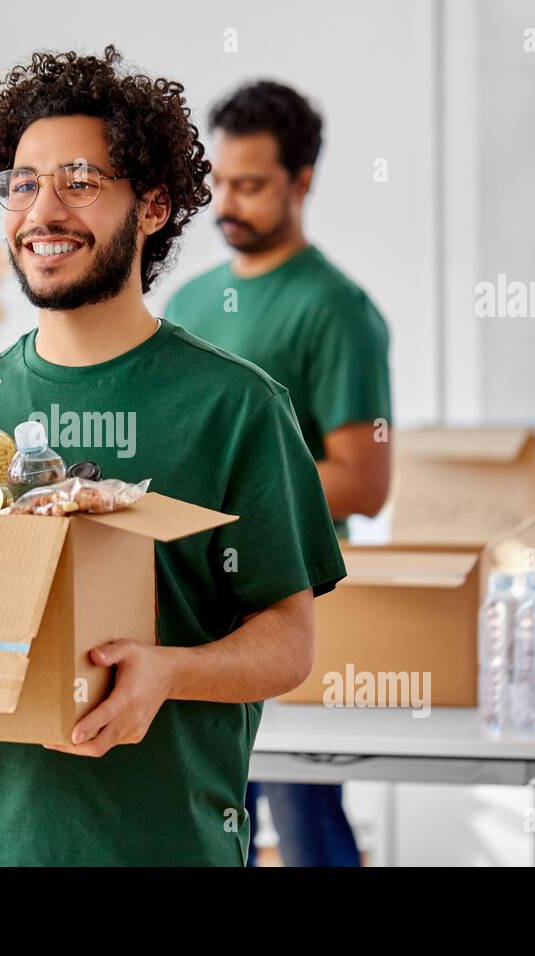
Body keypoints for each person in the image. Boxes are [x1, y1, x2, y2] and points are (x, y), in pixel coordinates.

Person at [0, 46, 347, 866]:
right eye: (22, 183)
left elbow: (290, 641)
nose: (42, 210)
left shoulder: (237, 406)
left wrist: (167, 672)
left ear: (152, 207)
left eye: (79, 182)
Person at [166, 80, 393, 867]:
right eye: (221, 181)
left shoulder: (337, 311)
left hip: (276, 603)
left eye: (252, 185)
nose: (229, 202)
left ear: (302, 182)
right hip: (184, 610)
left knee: (304, 824)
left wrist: (225, 492)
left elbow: (364, 481)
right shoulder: (188, 300)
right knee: (203, 823)